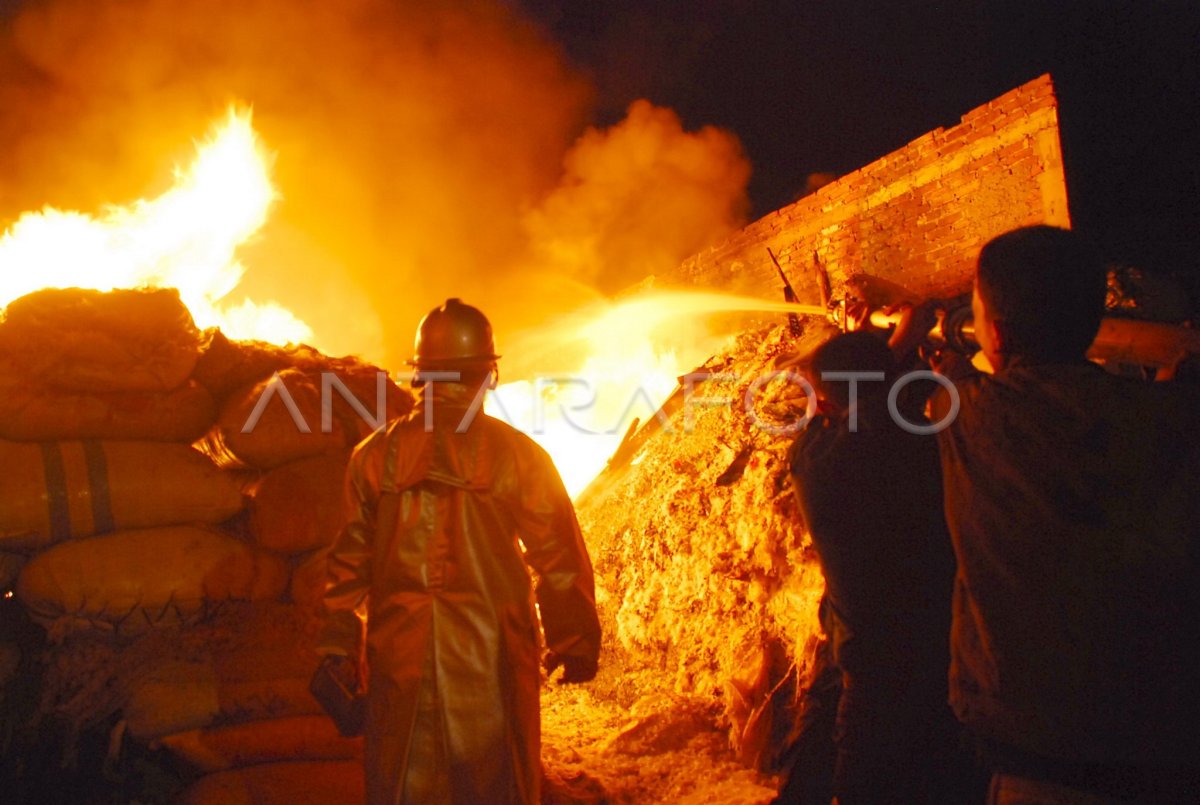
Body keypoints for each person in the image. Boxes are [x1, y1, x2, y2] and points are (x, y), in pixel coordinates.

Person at [922, 226, 1200, 803]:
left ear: (993, 333)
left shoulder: (969, 411)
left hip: (1033, 756)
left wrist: (934, 327)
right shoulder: (1167, 420)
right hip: (1163, 738)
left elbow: (946, 367)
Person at [318, 298, 602, 805]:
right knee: (497, 786)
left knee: (402, 784)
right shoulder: (519, 457)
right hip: (492, 665)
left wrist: (337, 653)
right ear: (486, 377)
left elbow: (345, 571)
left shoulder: (373, 458)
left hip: (399, 666)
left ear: (420, 377)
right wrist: (574, 639)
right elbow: (557, 556)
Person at [786, 331, 979, 804]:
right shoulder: (929, 449)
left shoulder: (812, 458)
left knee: (845, 741)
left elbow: (861, 407)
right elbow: (895, 411)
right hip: (930, 648)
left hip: (860, 646)